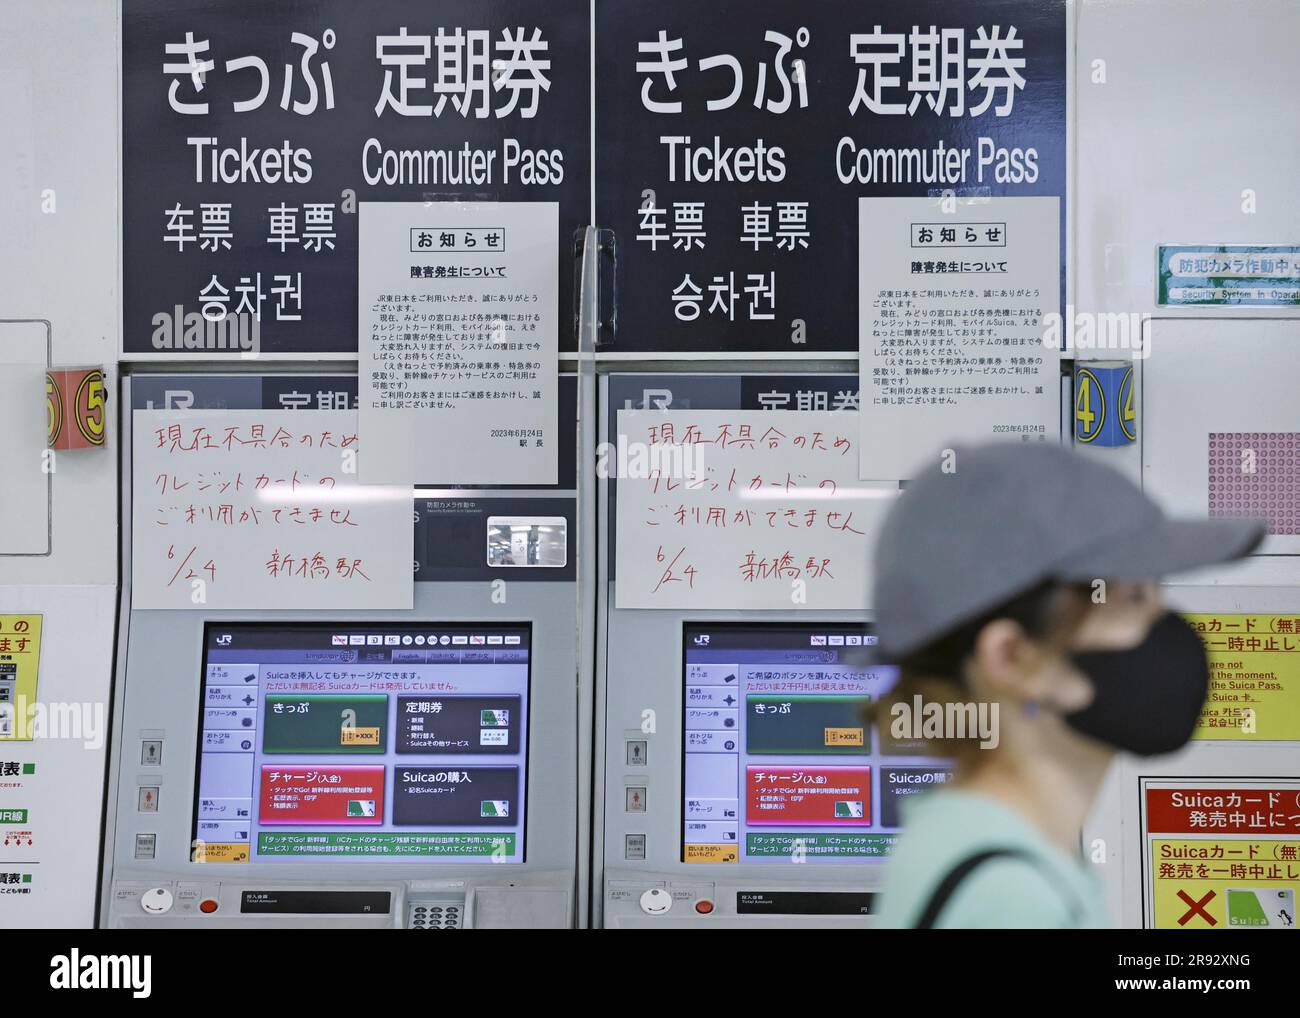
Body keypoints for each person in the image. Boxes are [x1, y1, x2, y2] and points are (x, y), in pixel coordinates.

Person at [868, 442, 1263, 929]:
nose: (1169, 628)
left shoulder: (1004, 849)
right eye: (1134, 599)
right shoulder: (1007, 896)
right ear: (1012, 657)